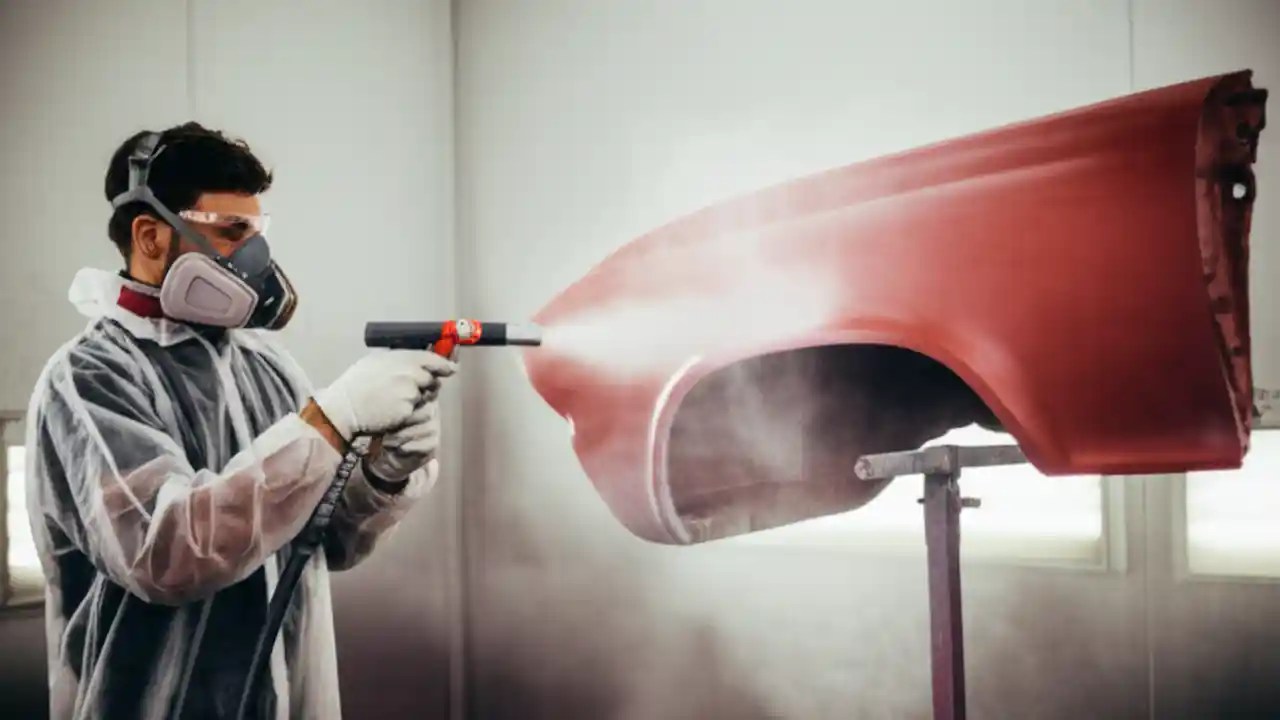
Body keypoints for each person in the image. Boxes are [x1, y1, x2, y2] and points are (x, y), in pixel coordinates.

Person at [24, 122, 455, 719]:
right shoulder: (87, 380)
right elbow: (168, 553)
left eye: (255, 233)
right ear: (150, 237)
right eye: (231, 233)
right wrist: (330, 423)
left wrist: (384, 473)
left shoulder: (268, 366)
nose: (253, 260)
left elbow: (322, 540)